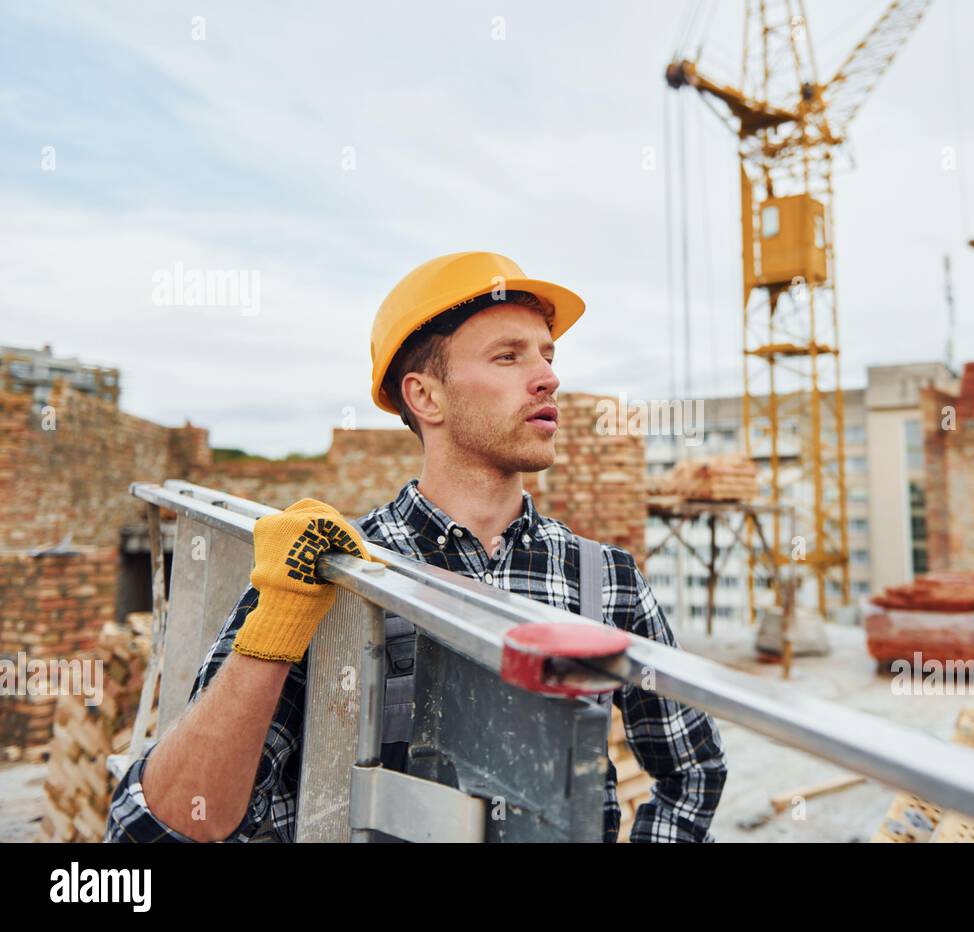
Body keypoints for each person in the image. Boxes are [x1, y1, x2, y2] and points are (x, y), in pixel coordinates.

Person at [105, 251, 727, 843]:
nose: (548, 377)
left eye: (547, 353)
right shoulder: (335, 573)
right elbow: (162, 826)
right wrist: (279, 618)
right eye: (509, 357)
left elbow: (691, 769)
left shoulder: (605, 578)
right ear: (425, 396)